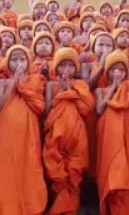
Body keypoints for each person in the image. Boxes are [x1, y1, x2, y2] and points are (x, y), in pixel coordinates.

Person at [0, 44, 48, 215]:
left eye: (22, 59)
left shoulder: (36, 80)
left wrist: (22, 87)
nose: (18, 63)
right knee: (5, 171)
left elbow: (40, 107)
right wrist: (14, 83)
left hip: (28, 132)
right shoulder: (2, 82)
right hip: (4, 132)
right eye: (14, 60)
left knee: (28, 169)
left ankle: (30, 208)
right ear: (8, 63)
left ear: (28, 62)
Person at [43, 47, 93, 215]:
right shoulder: (51, 85)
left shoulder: (82, 85)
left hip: (78, 137)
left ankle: (70, 210)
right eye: (62, 65)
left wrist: (69, 90)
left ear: (76, 68)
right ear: (55, 68)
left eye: (70, 65)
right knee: (57, 175)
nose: (66, 70)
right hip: (55, 136)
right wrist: (63, 91)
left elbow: (86, 109)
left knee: (74, 175)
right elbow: (47, 109)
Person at [94, 52, 129, 215]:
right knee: (112, 173)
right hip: (109, 134)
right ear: (107, 72)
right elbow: (100, 109)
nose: (118, 73)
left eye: (121, 70)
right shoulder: (101, 91)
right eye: (113, 70)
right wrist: (114, 87)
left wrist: (124, 88)